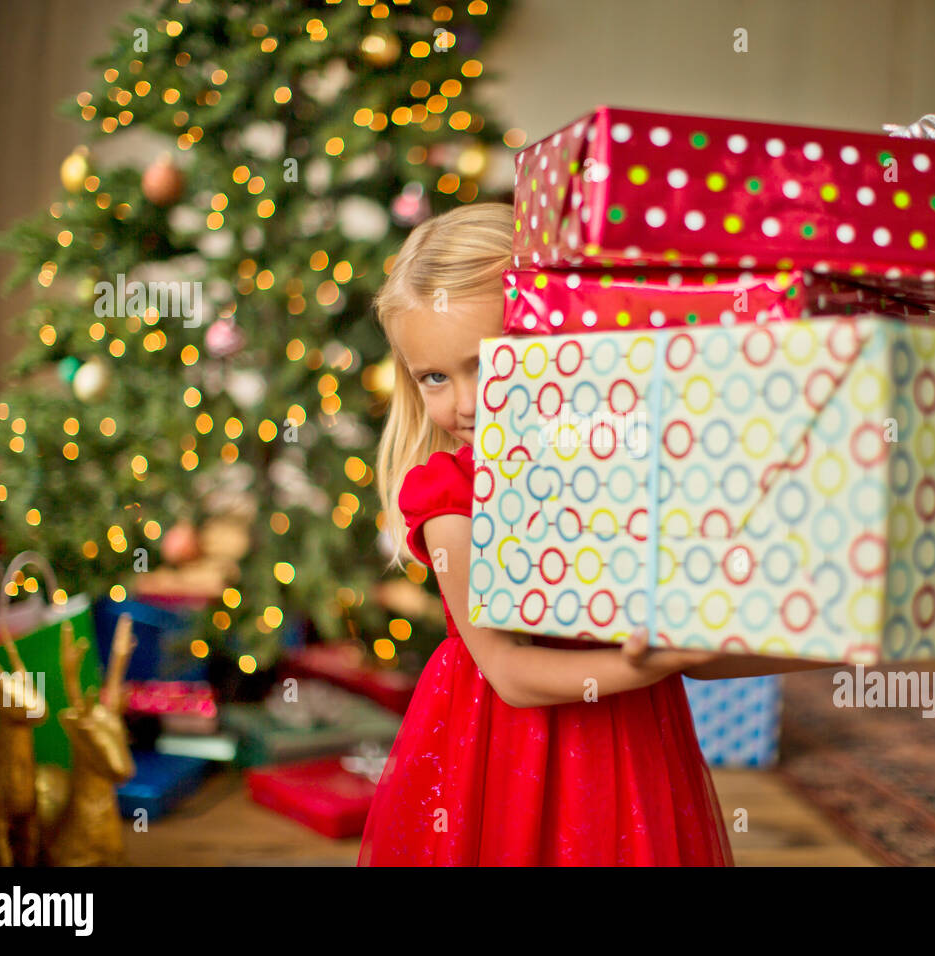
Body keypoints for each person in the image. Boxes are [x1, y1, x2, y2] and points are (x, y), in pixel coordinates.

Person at [357, 202, 835, 866]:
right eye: (435, 377)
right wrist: (640, 664)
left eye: (490, 362)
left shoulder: (622, 477)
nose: (465, 403)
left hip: (632, 745)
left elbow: (698, 651)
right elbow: (510, 673)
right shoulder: (448, 497)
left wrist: (835, 642)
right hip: (502, 753)